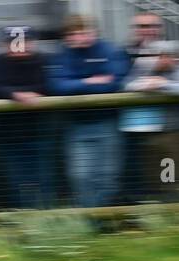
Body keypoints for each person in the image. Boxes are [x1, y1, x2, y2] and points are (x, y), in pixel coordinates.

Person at [48, 15, 129, 208]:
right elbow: (57, 86)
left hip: (107, 122)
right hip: (76, 124)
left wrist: (76, 83)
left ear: (93, 32)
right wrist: (89, 81)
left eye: (83, 32)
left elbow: (113, 83)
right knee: (79, 175)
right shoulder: (63, 55)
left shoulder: (110, 50)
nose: (79, 37)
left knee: (108, 174)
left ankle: (104, 219)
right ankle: (89, 219)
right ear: (67, 37)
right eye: (73, 34)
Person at [122, 40, 179, 201]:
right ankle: (158, 207)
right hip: (148, 133)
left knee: (171, 175)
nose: (163, 59)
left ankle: (174, 206)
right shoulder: (143, 69)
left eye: (168, 56)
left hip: (174, 133)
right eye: (159, 55)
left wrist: (164, 84)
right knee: (152, 176)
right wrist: (144, 84)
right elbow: (126, 86)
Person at [0, 25, 54, 208]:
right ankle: (24, 217)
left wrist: (29, 94)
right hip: (9, 133)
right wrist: (17, 95)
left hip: (39, 131)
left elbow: (48, 86)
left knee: (43, 178)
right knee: (18, 180)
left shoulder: (42, 60)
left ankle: (46, 216)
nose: (18, 46)